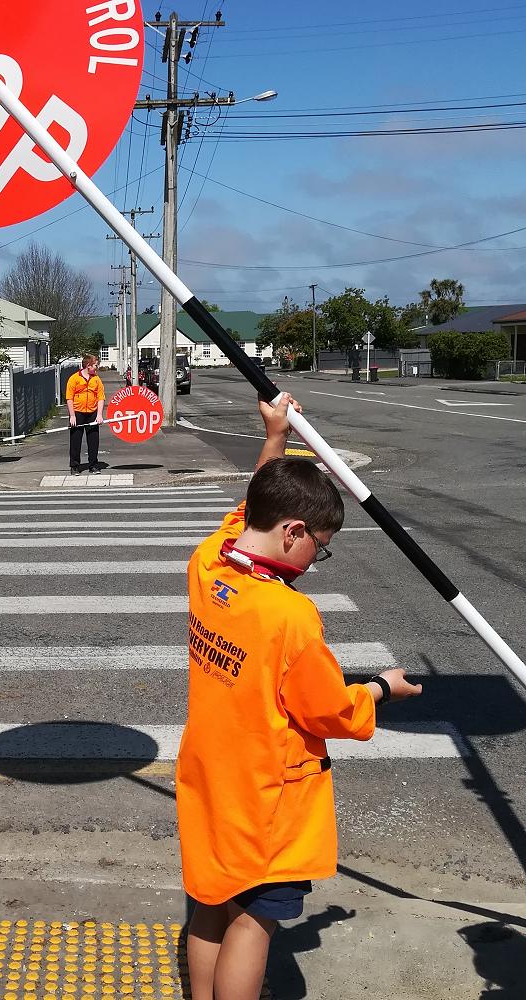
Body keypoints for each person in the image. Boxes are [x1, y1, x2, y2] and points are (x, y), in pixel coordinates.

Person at [178, 392, 423, 1000]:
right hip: (265, 794)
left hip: (211, 777)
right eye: (320, 543)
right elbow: (329, 710)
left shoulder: (209, 564)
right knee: (253, 921)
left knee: (211, 901)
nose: (317, 558)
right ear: (293, 532)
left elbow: (251, 507)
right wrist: (380, 689)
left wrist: (275, 437)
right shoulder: (289, 615)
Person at [65, 354, 105, 475]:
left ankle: (93, 465)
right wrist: (72, 415)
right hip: (78, 413)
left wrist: (99, 414)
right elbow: (69, 398)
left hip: (92, 413)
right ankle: (74, 466)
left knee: (93, 440)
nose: (97, 368)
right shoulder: (74, 378)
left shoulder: (96, 379)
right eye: (95, 365)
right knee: (75, 440)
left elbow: (101, 397)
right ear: (88, 365)